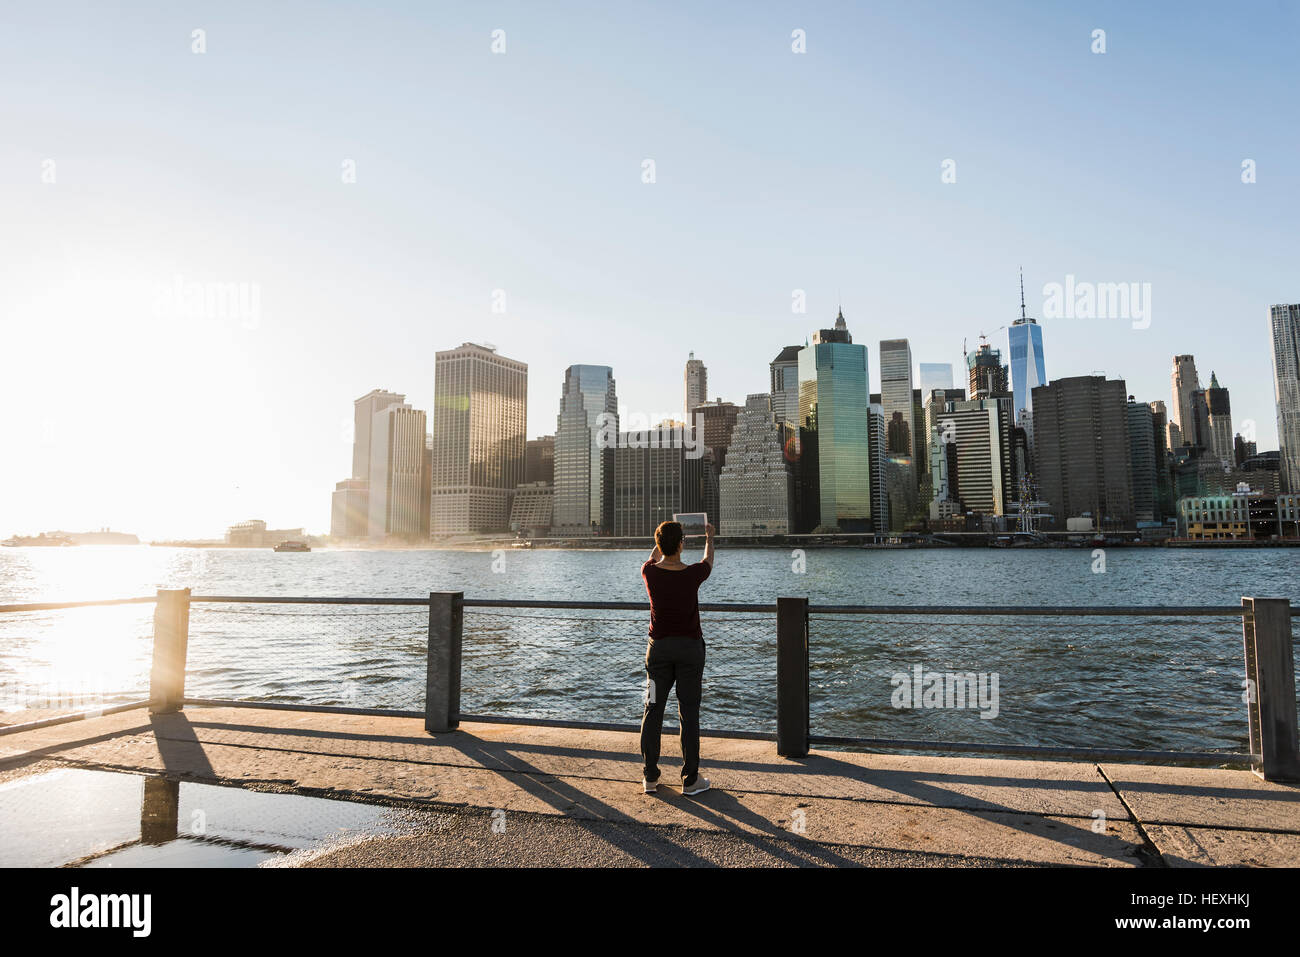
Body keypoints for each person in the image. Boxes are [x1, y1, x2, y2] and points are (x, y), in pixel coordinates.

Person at [639, 519, 715, 795]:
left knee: (653, 708)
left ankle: (650, 777)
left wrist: (660, 541)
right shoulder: (693, 574)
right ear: (682, 544)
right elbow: (708, 560)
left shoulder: (649, 572)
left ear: (658, 545)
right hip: (689, 652)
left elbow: (653, 556)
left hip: (658, 652)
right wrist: (709, 537)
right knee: (689, 712)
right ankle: (690, 779)